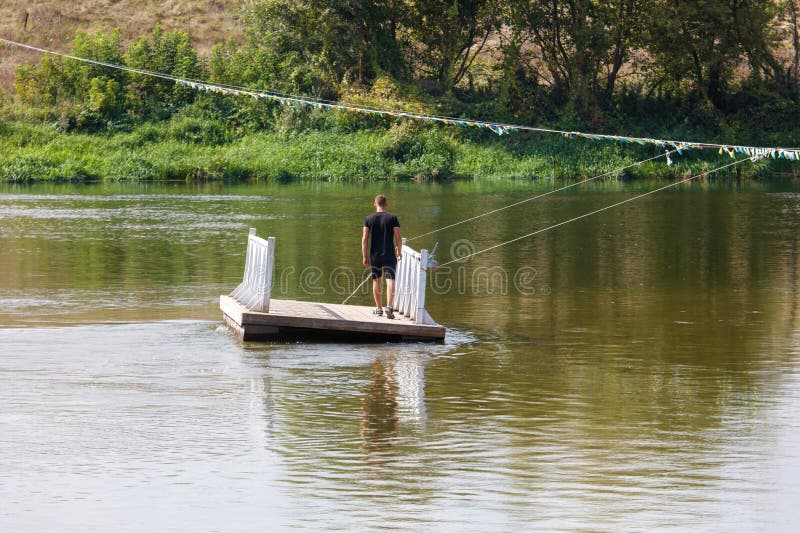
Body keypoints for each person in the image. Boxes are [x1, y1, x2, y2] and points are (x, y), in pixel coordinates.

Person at [362, 194, 402, 319]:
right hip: (389, 253)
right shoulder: (392, 218)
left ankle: (379, 309)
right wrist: (399, 252)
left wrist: (364, 256)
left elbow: (364, 239)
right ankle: (389, 307)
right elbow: (398, 238)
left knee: (377, 281)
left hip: (375, 255)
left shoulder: (368, 219)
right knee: (390, 280)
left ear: (375, 204)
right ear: (386, 204)